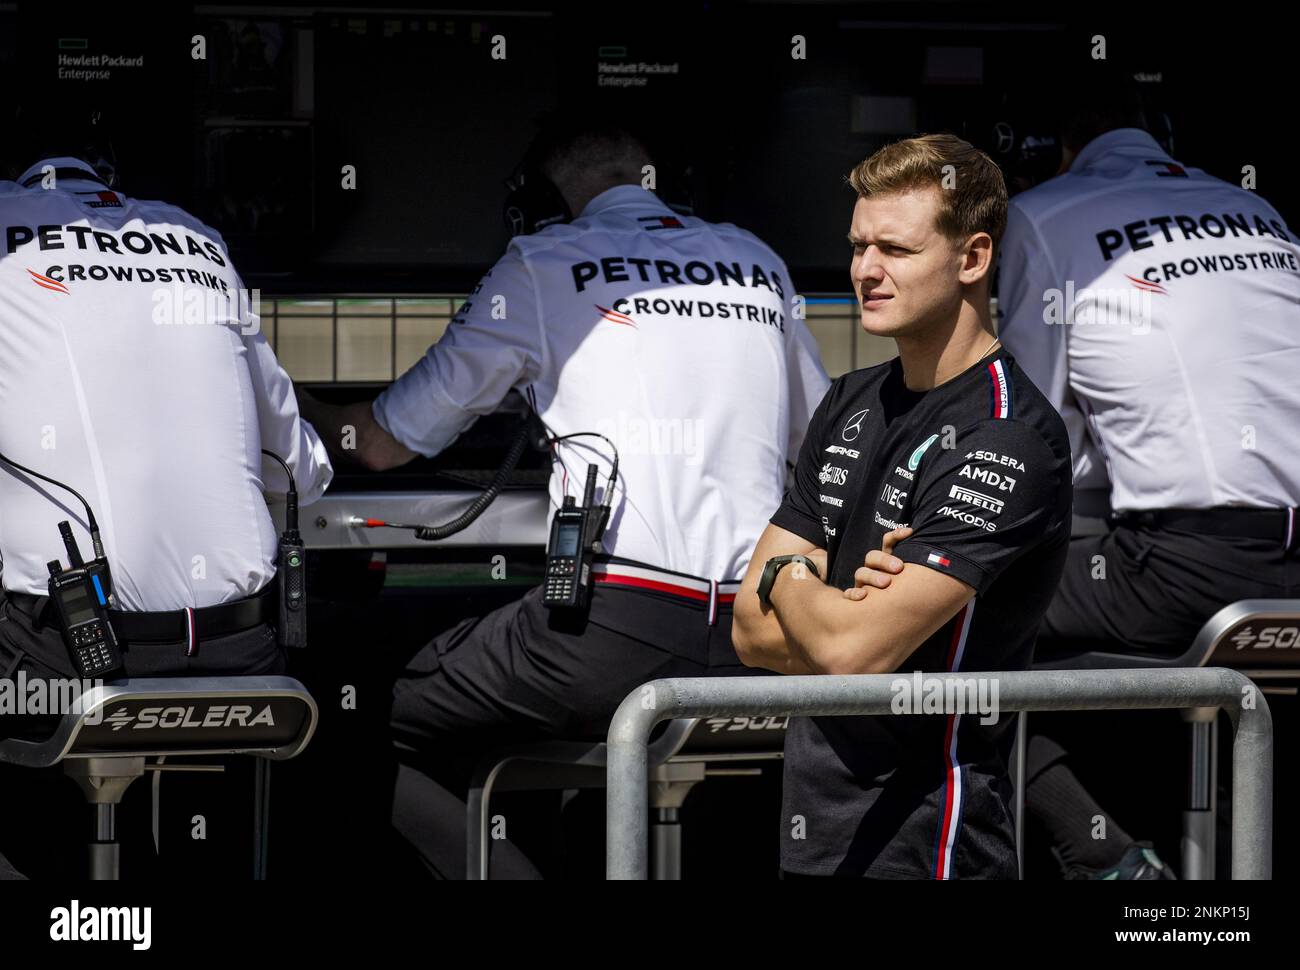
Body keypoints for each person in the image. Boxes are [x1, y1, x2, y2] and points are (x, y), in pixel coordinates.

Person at [300, 117, 829, 878]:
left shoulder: (543, 262)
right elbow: (820, 445)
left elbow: (383, 443)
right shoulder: (754, 259)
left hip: (613, 642)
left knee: (354, 714)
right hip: (763, 643)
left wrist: (295, 409)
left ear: (544, 199)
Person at [0, 114, 333, 878]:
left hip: (68, 668)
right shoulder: (198, 238)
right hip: (245, 662)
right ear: (108, 175)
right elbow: (300, 468)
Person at [732, 133, 1072, 879]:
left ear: (973, 258)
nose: (865, 271)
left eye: (896, 249)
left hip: (930, 838)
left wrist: (789, 576)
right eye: (858, 247)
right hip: (810, 831)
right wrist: (833, 608)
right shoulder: (848, 398)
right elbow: (749, 635)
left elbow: (854, 654)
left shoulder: (1010, 434)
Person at [993, 65, 1300, 879]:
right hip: (1280, 564)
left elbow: (1030, 432)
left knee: (945, 613)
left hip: (1195, 569)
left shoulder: (1043, 216)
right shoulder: (1258, 209)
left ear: (1054, 151)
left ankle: (1104, 853)